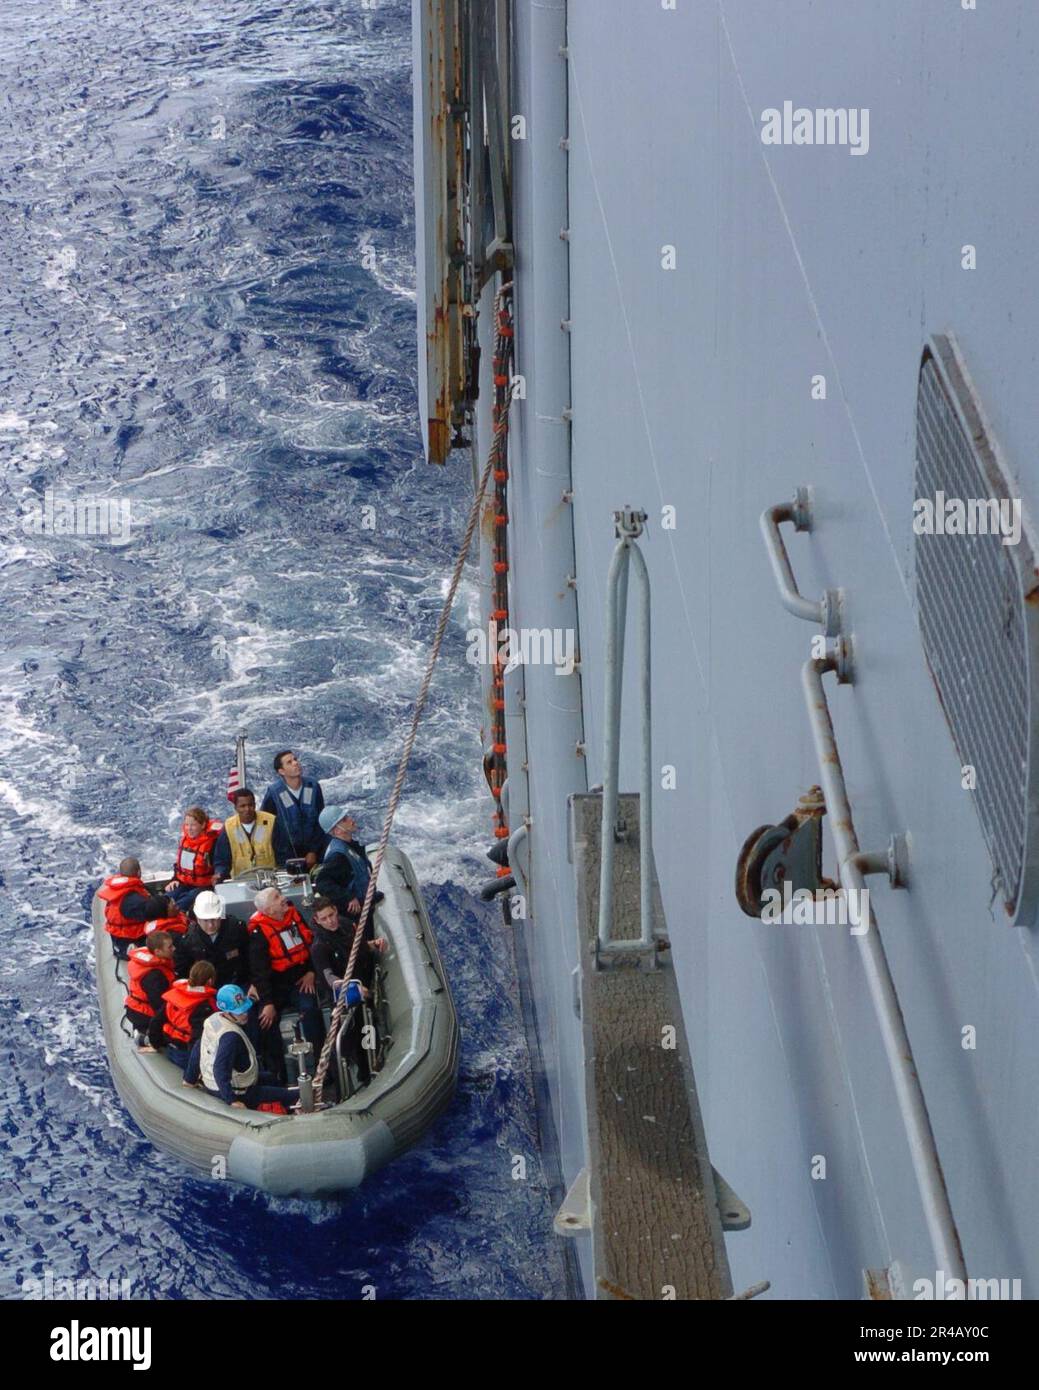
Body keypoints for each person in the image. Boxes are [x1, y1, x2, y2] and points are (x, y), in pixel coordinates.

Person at [248, 886, 325, 1081]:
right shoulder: (258, 933)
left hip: (301, 979)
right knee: (266, 1023)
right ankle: (277, 1074)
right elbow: (259, 972)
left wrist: (311, 972)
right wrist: (267, 1002)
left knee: (311, 1011)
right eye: (277, 897)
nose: (283, 899)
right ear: (269, 911)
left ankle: (323, 1066)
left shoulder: (293, 914)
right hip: (276, 987)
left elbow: (311, 945)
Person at [198, 985, 298, 1111]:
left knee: (272, 1078)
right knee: (293, 1096)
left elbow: (199, 1047)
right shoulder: (231, 1037)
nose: (245, 1015)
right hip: (241, 1092)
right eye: (240, 1012)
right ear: (227, 1012)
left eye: (245, 1010)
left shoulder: (213, 1021)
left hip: (215, 1083)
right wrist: (232, 1101)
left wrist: (189, 1079)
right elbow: (220, 1069)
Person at [313, 806, 384, 921]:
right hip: (357, 913)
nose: (351, 820)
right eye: (345, 819)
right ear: (337, 830)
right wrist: (348, 897)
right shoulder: (338, 856)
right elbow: (322, 882)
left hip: (365, 901)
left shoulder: (348, 845)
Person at [310, 895, 388, 996]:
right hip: (346, 994)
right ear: (317, 920)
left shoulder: (346, 924)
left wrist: (375, 944)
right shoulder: (319, 947)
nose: (330, 921)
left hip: (364, 976)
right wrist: (352, 988)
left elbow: (360, 947)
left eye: (331, 915)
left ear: (336, 910)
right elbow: (329, 978)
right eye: (324, 919)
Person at [98, 858, 176, 958]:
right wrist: (167, 904)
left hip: (123, 937)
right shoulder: (132, 900)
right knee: (171, 937)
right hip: (131, 941)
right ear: (139, 872)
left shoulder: (120, 891)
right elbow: (151, 911)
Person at [261, 752, 327, 869]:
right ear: (281, 771)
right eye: (289, 762)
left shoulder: (313, 786)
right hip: (286, 858)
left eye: (295, 759)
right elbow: (267, 826)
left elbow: (321, 821)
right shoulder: (274, 793)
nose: (296, 763)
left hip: (314, 855)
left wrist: (313, 851)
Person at [173, 889, 250, 989]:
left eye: (214, 919)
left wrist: (253, 983)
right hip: (207, 990)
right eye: (205, 920)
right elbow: (182, 971)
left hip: (237, 984)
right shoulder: (188, 940)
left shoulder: (237, 929)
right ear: (197, 918)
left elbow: (250, 957)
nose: (210, 925)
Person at [212, 789, 289, 881]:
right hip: (240, 881)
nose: (247, 809)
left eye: (250, 805)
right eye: (242, 806)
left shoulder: (271, 822)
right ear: (236, 808)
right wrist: (219, 874)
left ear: (255, 805)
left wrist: (283, 875)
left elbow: (283, 854)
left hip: (269, 880)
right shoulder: (229, 827)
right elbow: (222, 860)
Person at [160, 960, 217, 1073]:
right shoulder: (203, 1007)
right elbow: (196, 1041)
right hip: (185, 1052)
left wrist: (154, 1043)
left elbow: (157, 1020)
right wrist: (195, 1071)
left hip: (169, 1044)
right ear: (210, 981)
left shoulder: (175, 995)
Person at [123, 931, 177, 1047]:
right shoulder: (154, 977)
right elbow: (159, 1006)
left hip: (138, 1008)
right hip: (144, 1014)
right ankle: (145, 1038)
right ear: (158, 951)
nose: (174, 948)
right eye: (170, 947)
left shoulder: (156, 964)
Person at [164, 806, 223, 911]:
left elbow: (220, 866)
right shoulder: (185, 841)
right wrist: (174, 880)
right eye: (187, 825)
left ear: (203, 825)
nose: (189, 829)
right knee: (166, 899)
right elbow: (179, 865)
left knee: (182, 903)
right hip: (185, 883)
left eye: (193, 825)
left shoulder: (213, 844)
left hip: (205, 886)